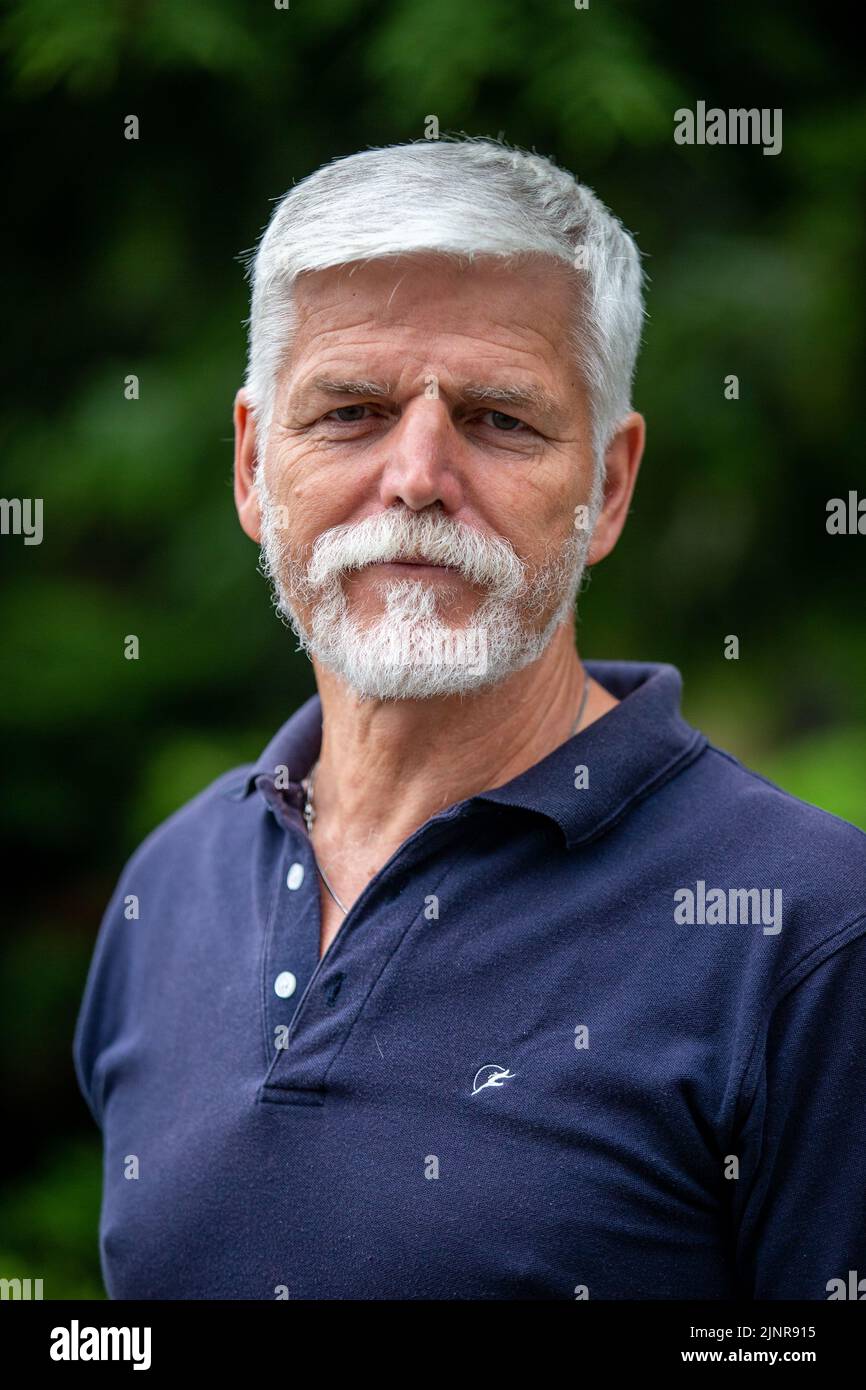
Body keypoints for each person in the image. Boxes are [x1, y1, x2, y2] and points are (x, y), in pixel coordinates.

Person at [74, 137, 866, 1300]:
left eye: (498, 419)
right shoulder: (169, 884)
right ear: (252, 466)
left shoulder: (808, 937)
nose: (416, 476)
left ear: (609, 483)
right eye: (349, 410)